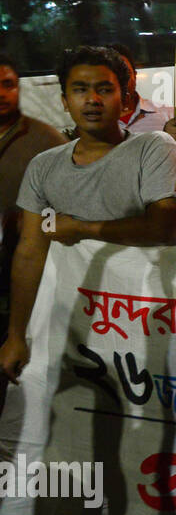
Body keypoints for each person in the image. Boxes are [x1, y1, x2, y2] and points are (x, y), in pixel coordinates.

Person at [1, 46, 176, 385]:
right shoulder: (44, 166)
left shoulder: (154, 148)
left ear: (125, 99)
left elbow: (164, 228)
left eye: (104, 89)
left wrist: (81, 228)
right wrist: (16, 335)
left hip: (143, 321)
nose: (92, 100)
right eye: (80, 90)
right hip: (69, 326)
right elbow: (29, 252)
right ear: (64, 100)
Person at [0, 53, 67, 396]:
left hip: (20, 277)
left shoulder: (46, 143)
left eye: (8, 84)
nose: (1, 93)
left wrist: (30, 222)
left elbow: (66, 211)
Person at [107, 43, 168, 135]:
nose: (120, 80)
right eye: (112, 75)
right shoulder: (91, 124)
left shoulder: (166, 115)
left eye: (125, 73)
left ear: (135, 75)